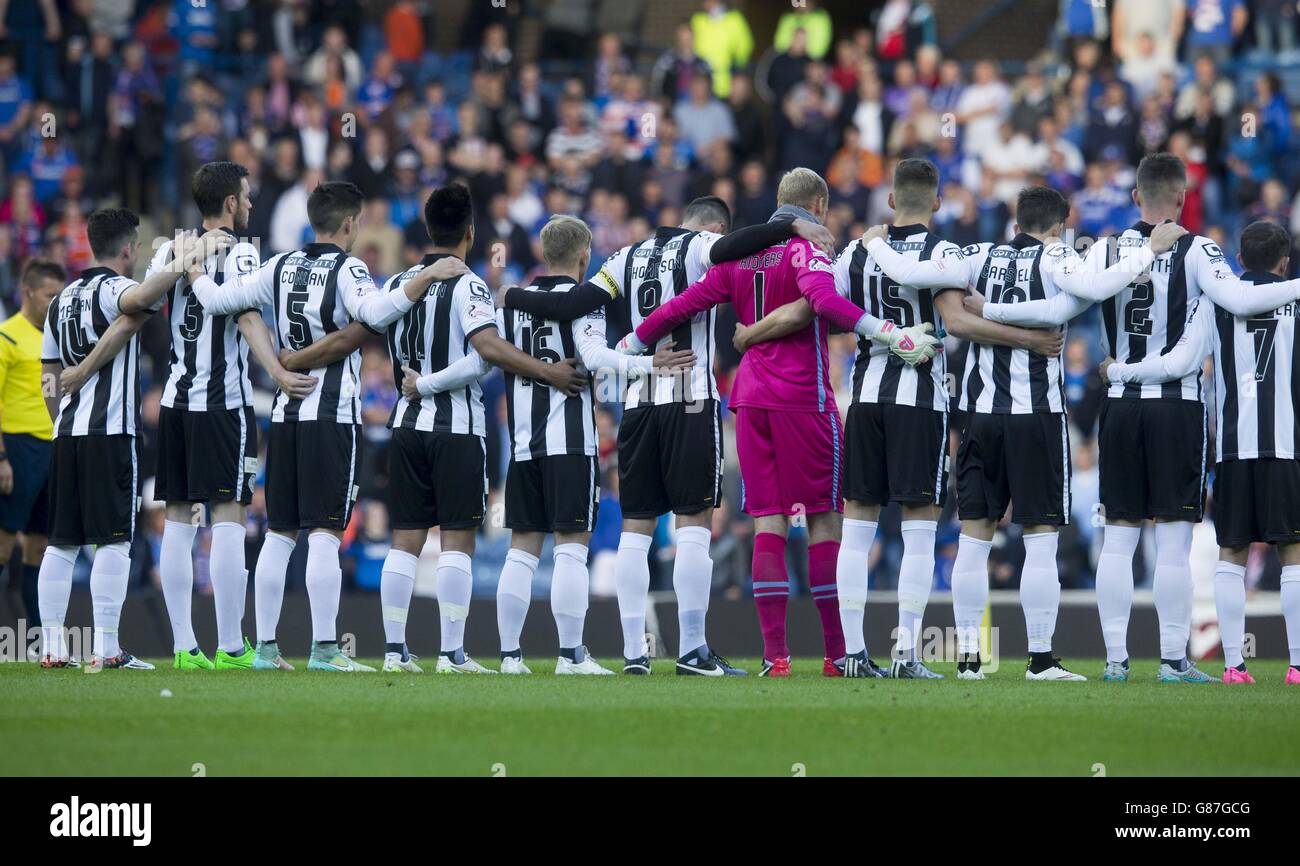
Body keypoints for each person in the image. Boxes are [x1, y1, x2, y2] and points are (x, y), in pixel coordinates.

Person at [977, 154, 1300, 682]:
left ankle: (1115, 661)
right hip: (1177, 407)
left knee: (1120, 535)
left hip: (1121, 408)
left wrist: (990, 312)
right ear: (1181, 197)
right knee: (1172, 539)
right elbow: (1242, 299)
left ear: (1135, 197)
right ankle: (1173, 661)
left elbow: (1063, 306)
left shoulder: (1104, 248)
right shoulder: (1200, 250)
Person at [736, 160, 1059, 678]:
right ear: (936, 203)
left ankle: (854, 654)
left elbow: (811, 307)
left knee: (858, 526)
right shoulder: (945, 252)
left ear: (890, 201)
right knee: (918, 527)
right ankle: (906, 653)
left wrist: (751, 331)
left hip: (863, 397)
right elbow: (957, 320)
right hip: (921, 400)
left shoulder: (854, 253)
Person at [501, 197, 841, 676]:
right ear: (717, 227)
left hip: (637, 403)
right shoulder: (704, 247)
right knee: (694, 524)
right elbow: (738, 247)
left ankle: (635, 654)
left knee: (636, 528)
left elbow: (574, 302)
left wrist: (513, 296)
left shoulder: (625, 256)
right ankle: (692, 651)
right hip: (690, 399)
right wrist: (790, 228)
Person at [619, 168, 938, 677]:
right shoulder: (806, 247)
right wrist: (888, 332)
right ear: (818, 204)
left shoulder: (739, 256)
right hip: (802, 398)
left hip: (748, 400)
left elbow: (684, 303)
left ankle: (775, 656)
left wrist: (633, 343)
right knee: (823, 521)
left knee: (768, 521)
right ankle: (838, 655)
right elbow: (823, 301)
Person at [186, 181, 466, 672]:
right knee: (325, 533)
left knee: (279, 532)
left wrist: (193, 273)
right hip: (332, 415)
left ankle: (266, 651)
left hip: (285, 416)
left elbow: (217, 302)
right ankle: (325, 650)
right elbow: (376, 312)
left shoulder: (279, 264)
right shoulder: (348, 268)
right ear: (350, 224)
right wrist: (426, 276)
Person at [60, 162, 317, 671]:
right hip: (224, 404)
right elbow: (245, 317)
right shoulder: (243, 252)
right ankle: (230, 647)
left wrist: (85, 366)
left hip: (176, 403)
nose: (247, 204)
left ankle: (184, 648)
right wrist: (280, 375)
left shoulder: (167, 251)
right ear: (228, 204)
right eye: (244, 197)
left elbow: (133, 314)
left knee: (178, 520)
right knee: (227, 517)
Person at [366, 184, 587, 674]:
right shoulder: (469, 285)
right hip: (456, 428)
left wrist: (416, 384)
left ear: (427, 230)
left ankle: (393, 651)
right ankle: (451, 653)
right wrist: (546, 370)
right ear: (470, 232)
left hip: (405, 425)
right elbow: (486, 351)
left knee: (405, 539)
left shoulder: (402, 280)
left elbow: (372, 320)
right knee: (457, 539)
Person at [489, 216, 692, 675]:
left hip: (523, 441)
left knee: (522, 548)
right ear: (584, 257)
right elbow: (596, 357)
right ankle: (570, 656)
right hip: (571, 441)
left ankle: (508, 656)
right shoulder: (585, 302)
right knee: (571, 547)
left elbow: (490, 352)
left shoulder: (512, 302)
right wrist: (648, 364)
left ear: (544, 253)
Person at [1103, 220, 1300, 686]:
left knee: (1231, 552)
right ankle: (1296, 666)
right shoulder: (1294, 298)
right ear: (1285, 262)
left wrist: (1118, 370)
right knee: (1292, 551)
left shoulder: (1214, 302)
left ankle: (1234, 666)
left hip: (1231, 448)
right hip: (1288, 445)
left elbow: (1182, 362)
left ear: (1237, 258)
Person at [38, 209, 223, 670]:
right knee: (114, 541)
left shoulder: (60, 299)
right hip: (112, 433)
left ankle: (53, 648)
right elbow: (143, 295)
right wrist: (187, 257)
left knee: (61, 543)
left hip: (67, 433)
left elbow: (48, 375)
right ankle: (107, 648)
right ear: (126, 249)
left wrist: (59, 418)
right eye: (137, 246)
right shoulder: (114, 288)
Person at [0, 258, 64, 651]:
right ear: (28, 292)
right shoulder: (7, 336)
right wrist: (1, 457)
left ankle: (42, 642)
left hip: (52, 448)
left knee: (40, 547)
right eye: (49, 295)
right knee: (6, 542)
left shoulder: (55, 337)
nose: (55, 303)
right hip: (18, 447)